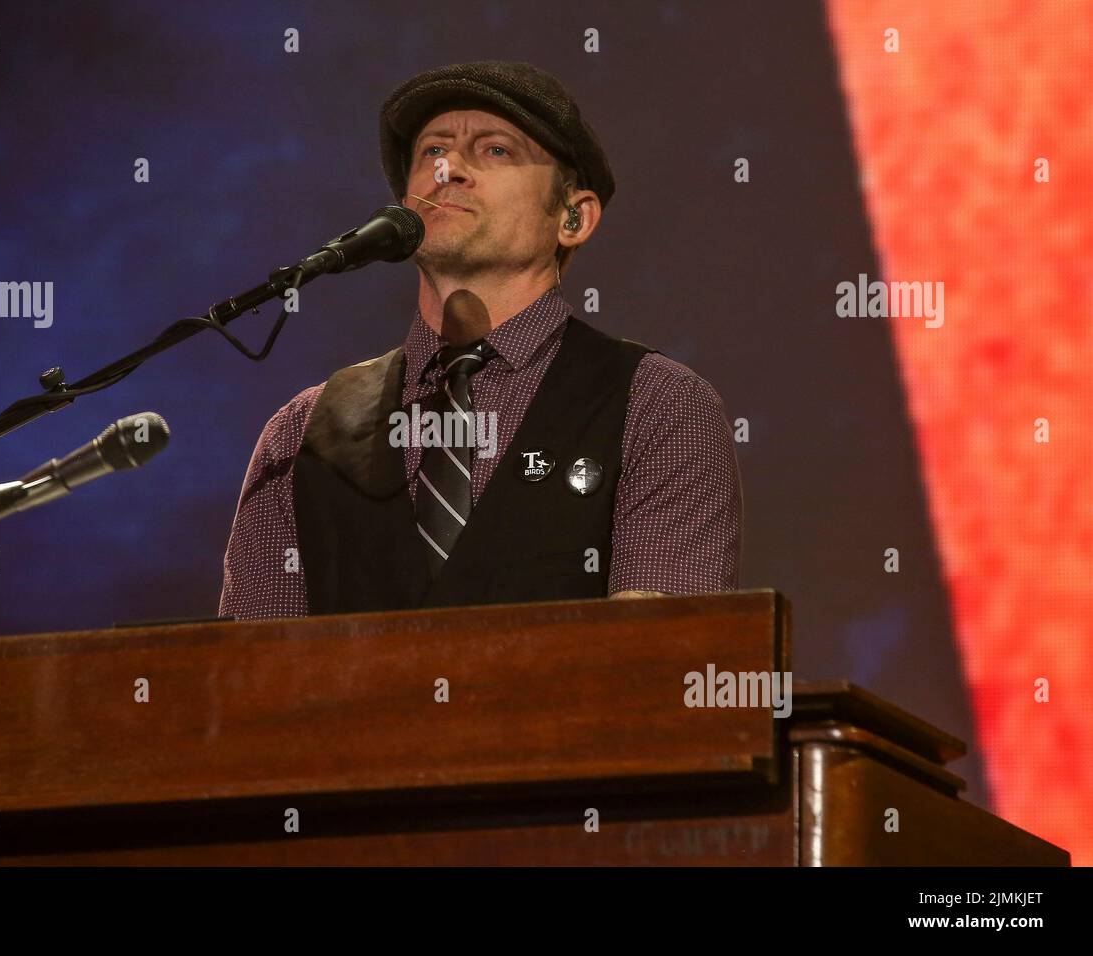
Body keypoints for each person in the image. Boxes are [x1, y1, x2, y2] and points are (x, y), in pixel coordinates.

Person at [219, 60, 742, 619]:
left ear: (573, 217)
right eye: (431, 152)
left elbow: (654, 664)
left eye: (496, 150)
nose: (449, 169)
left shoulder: (658, 405)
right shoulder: (299, 433)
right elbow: (251, 678)